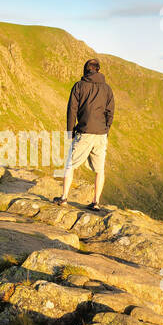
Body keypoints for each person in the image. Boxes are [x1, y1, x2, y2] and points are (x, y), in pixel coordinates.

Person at [54, 58, 114, 211]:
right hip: (101, 133)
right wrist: (106, 129)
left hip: (84, 131)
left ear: (86, 70)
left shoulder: (79, 86)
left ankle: (64, 198)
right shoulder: (107, 89)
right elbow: (110, 112)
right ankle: (96, 203)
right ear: (98, 70)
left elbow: (72, 110)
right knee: (99, 169)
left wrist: (70, 131)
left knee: (70, 164)